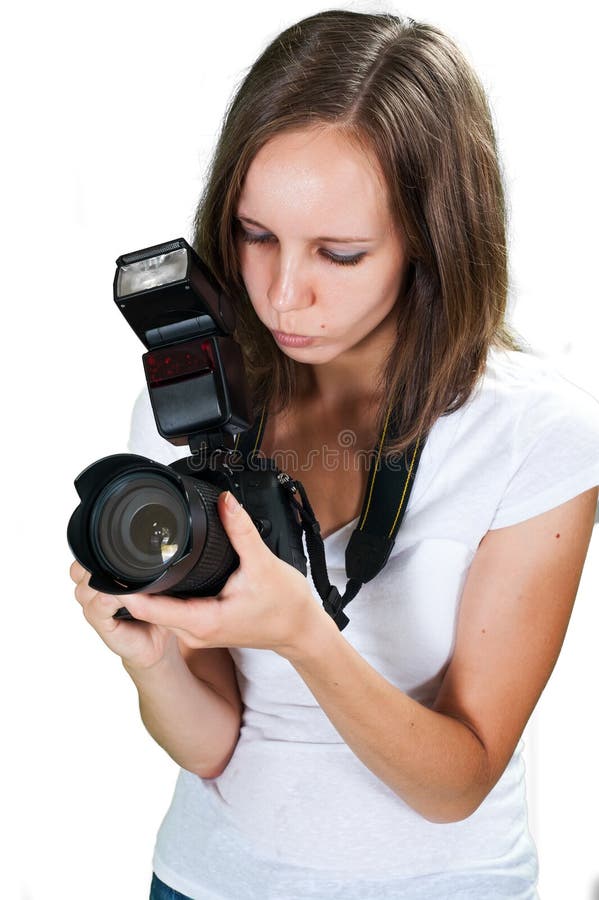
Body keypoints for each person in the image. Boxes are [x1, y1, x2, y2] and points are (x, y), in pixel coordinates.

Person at [70, 10, 599, 900]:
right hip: (202, 880)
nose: (282, 293)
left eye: (340, 253)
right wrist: (149, 656)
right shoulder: (189, 412)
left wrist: (303, 634)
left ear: (430, 243)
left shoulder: (534, 434)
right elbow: (213, 744)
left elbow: (456, 782)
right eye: (255, 234)